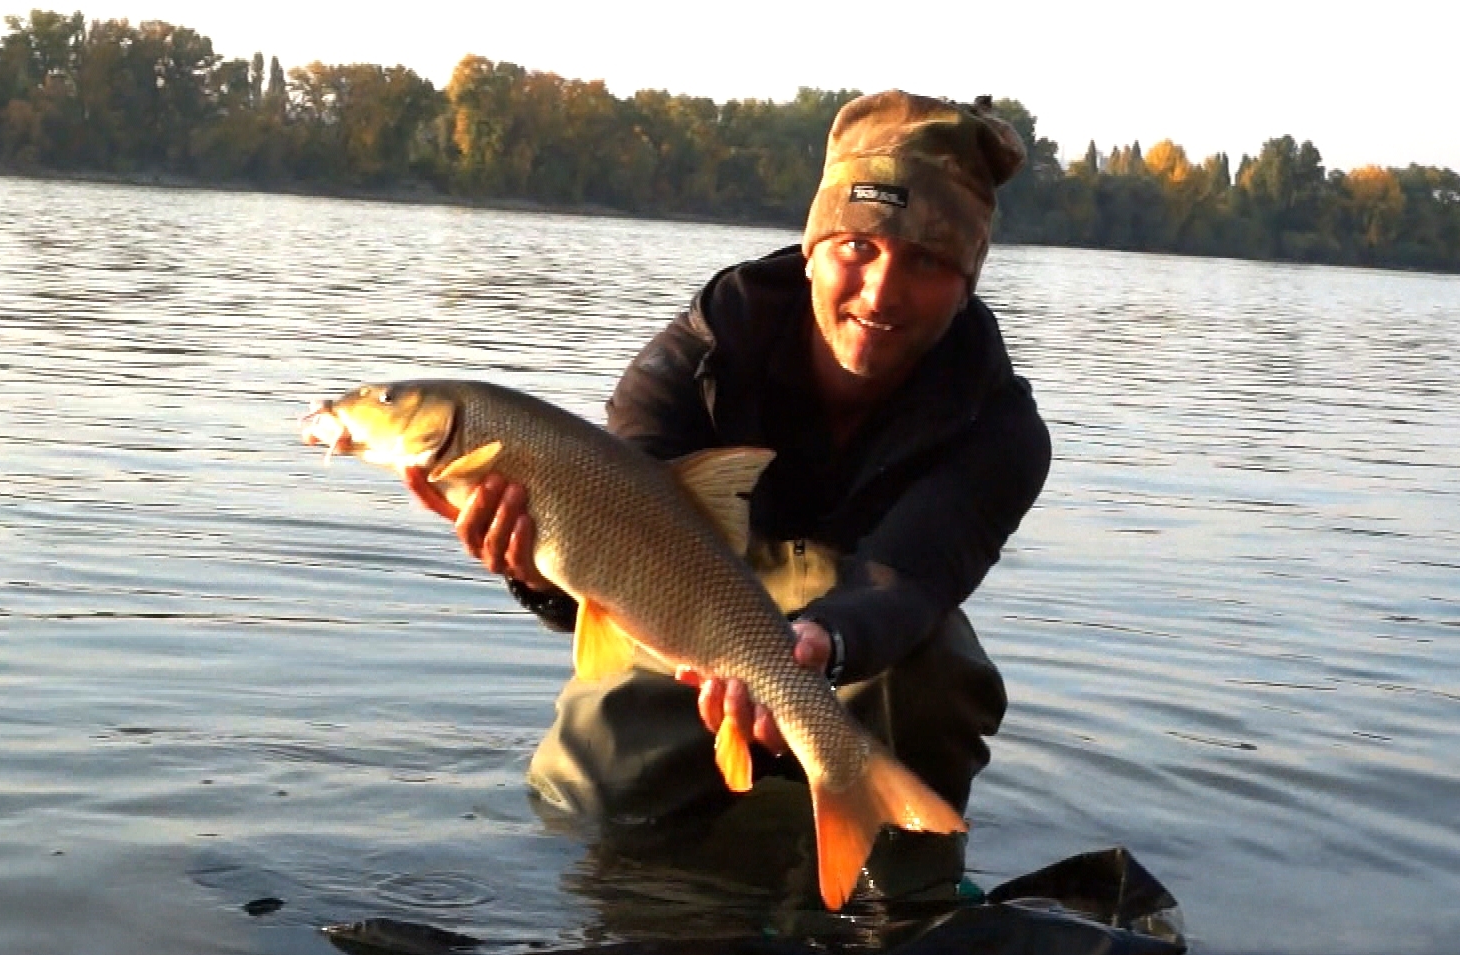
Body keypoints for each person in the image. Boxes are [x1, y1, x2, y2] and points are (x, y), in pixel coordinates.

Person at [404, 90, 1050, 904]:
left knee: (940, 670)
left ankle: (892, 875)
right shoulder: (692, 360)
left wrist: (816, 649)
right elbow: (600, 588)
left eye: (927, 262)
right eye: (858, 246)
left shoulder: (1001, 428)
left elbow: (910, 581)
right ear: (812, 248)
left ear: (967, 283)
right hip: (686, 623)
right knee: (584, 806)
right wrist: (530, 570)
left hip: (862, 641)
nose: (882, 292)